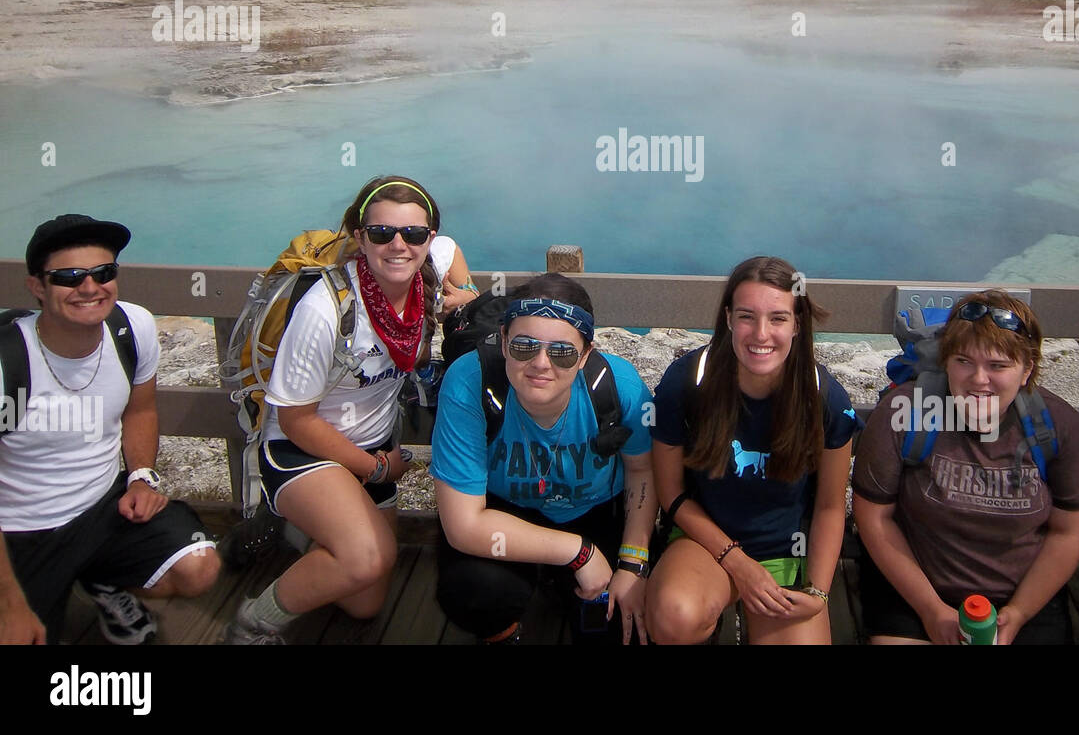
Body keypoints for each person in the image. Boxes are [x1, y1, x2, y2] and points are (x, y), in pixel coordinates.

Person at [225, 175, 465, 643]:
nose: (399, 245)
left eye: (414, 234)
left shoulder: (428, 265)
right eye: (382, 234)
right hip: (302, 450)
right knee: (365, 559)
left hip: (371, 448)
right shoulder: (325, 309)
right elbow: (296, 420)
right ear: (360, 237)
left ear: (427, 238)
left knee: (364, 601)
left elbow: (453, 252)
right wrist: (376, 468)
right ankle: (254, 622)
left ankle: (304, 532)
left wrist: (469, 292)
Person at [0, 214, 220, 644]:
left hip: (104, 509)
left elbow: (139, 410)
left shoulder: (131, 328)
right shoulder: (9, 364)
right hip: (21, 531)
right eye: (68, 277)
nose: (89, 287)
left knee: (199, 568)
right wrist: (10, 605)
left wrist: (141, 476)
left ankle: (100, 579)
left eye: (103, 273)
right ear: (37, 287)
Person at [853, 289, 1079, 645]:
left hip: (1025, 594)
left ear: (1026, 370)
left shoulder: (1056, 425)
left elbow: (1068, 531)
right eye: (964, 361)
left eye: (997, 366)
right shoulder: (905, 413)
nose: (979, 379)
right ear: (946, 361)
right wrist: (931, 609)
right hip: (917, 589)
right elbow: (874, 518)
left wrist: (1021, 611)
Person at [431, 273, 656, 644]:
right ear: (503, 342)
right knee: (477, 589)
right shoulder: (470, 381)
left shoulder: (621, 388)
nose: (540, 363)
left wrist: (633, 563)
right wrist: (579, 554)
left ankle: (556, 582)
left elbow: (642, 469)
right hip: (504, 512)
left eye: (562, 352)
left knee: (618, 624)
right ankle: (502, 632)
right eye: (523, 346)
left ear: (586, 355)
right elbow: (464, 526)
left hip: (595, 511)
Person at [645, 256, 857, 645]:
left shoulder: (824, 398)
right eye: (747, 316)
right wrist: (738, 563)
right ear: (728, 318)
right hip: (705, 545)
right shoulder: (688, 382)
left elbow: (829, 506)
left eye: (778, 318)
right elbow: (671, 493)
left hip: (786, 550)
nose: (761, 334)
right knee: (674, 616)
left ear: (797, 323)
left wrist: (819, 592)